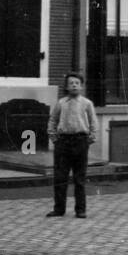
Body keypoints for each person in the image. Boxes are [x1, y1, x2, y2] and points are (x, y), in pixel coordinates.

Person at [47, 72, 97, 218]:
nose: (74, 85)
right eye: (71, 83)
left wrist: (90, 138)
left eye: (77, 83)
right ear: (66, 87)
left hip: (80, 142)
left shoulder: (87, 104)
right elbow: (52, 120)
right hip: (63, 142)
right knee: (60, 177)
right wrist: (54, 137)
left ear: (81, 86)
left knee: (79, 178)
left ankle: (80, 210)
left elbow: (93, 122)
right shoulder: (61, 103)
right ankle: (59, 209)